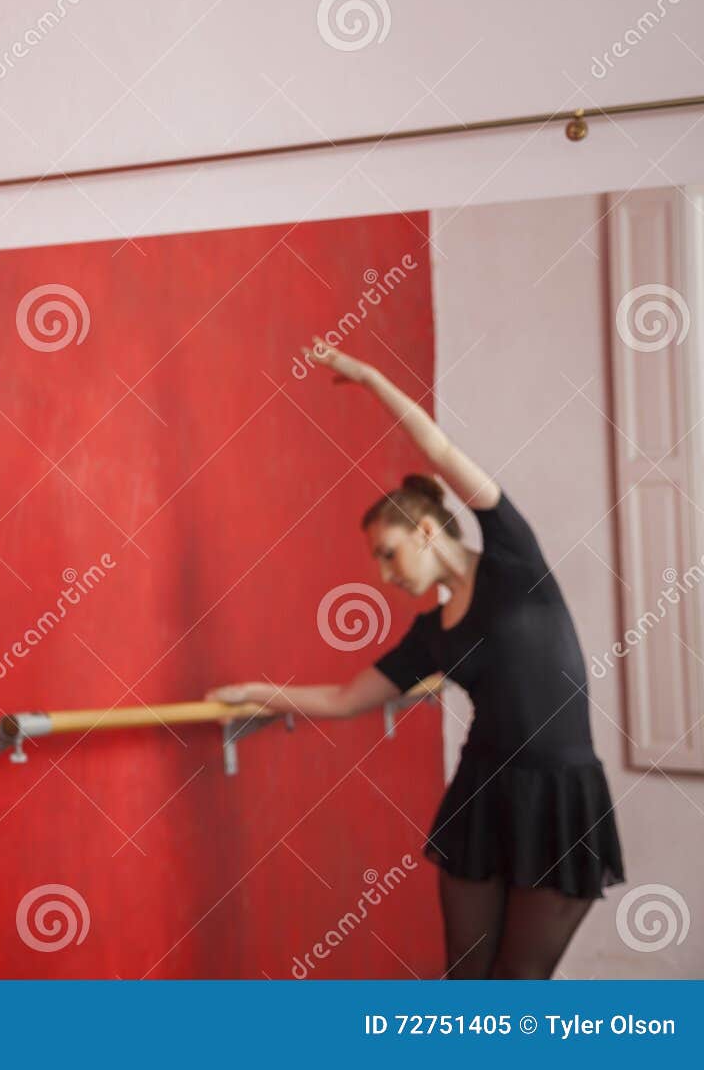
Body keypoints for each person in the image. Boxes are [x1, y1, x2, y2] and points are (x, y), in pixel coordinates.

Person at [208, 338, 623, 979]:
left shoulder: (514, 559)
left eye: (388, 553)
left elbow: (438, 452)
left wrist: (370, 378)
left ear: (426, 530)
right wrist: (255, 692)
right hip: (482, 795)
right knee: (464, 979)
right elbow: (348, 699)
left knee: (518, 989)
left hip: (561, 795)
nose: (382, 574)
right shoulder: (431, 635)